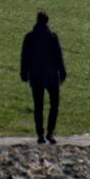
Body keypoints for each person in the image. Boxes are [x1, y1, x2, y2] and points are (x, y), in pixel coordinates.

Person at [20, 11, 66, 145]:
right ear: (47, 21)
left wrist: (24, 73)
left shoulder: (29, 37)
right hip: (51, 75)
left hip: (36, 75)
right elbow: (59, 56)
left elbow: (25, 57)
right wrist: (62, 73)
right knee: (54, 105)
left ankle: (40, 134)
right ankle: (50, 132)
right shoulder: (52, 37)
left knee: (38, 106)